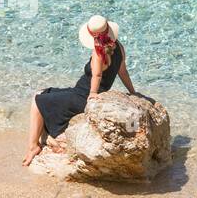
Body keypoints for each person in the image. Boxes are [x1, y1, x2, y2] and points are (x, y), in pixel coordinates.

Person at [23, 14, 136, 166]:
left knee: (37, 100)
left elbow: (96, 75)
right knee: (43, 92)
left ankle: (33, 146)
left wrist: (92, 94)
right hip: (79, 91)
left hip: (81, 96)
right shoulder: (119, 48)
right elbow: (123, 72)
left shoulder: (99, 52)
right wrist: (133, 92)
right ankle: (40, 136)